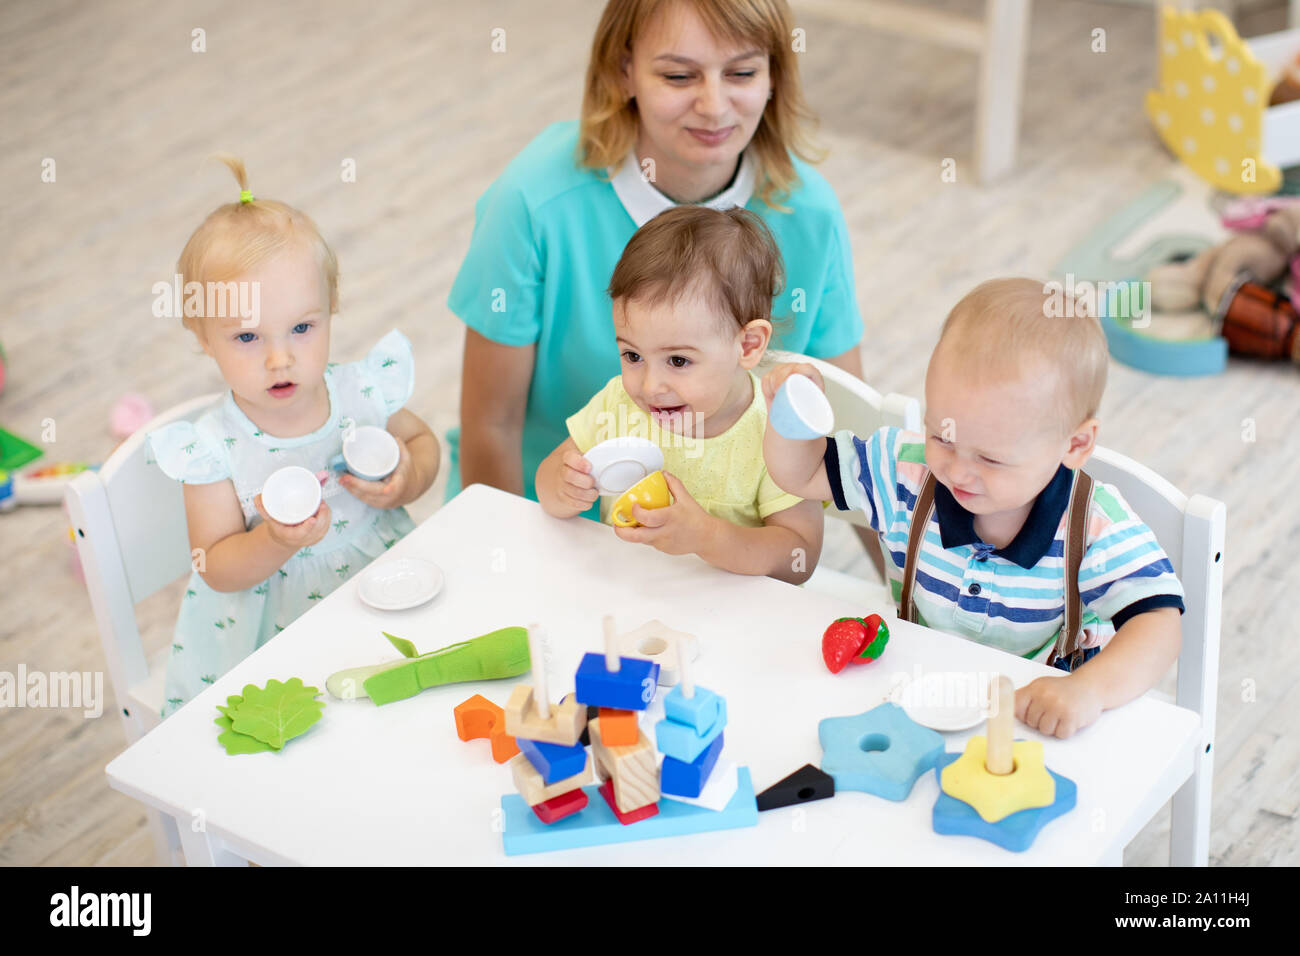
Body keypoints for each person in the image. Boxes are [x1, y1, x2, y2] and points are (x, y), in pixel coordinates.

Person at [448, 0, 865, 531]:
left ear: (774, 77)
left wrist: (910, 598)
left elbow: (853, 441)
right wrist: (503, 557)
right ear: (623, 71)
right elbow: (491, 424)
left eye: (741, 72)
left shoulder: (811, 214)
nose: (714, 107)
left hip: (727, 545)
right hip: (552, 521)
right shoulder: (532, 201)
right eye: (678, 75)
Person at [761, 278, 1186, 738]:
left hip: (1039, 724)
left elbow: (1159, 625)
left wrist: (1089, 691)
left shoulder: (1094, 526)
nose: (958, 471)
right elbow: (799, 474)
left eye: (990, 458)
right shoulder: (905, 470)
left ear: (1076, 444)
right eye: (942, 436)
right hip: (919, 699)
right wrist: (788, 416)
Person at [147, 157, 440, 718]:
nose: (280, 358)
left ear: (331, 311)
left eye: (303, 328)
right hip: (273, 641)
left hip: (381, 598)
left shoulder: (359, 393)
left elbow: (425, 444)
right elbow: (215, 565)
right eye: (248, 336)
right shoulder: (213, 450)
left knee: (408, 707)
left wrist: (406, 479)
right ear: (204, 338)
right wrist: (276, 541)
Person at [537, 205, 822, 584]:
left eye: (677, 360)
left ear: (748, 345)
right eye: (633, 355)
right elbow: (546, 482)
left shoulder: (776, 432)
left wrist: (707, 537)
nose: (650, 386)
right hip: (627, 594)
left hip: (735, 616)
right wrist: (563, 486)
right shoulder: (619, 403)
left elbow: (800, 556)